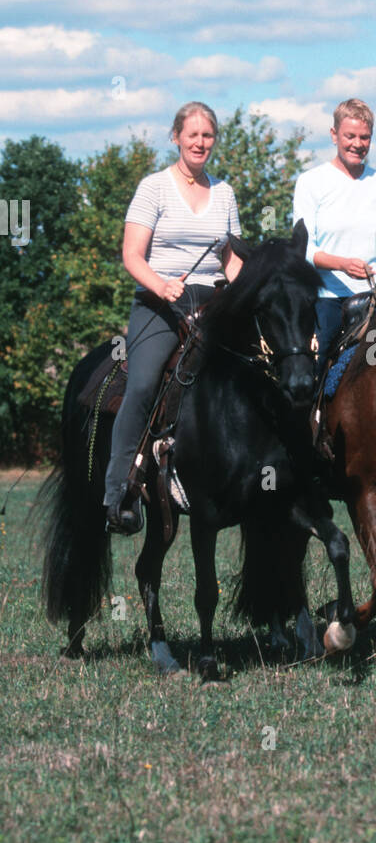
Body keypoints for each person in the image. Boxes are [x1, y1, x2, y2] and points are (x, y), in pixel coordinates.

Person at [103, 101, 242, 533]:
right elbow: (131, 254)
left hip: (211, 302)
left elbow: (232, 258)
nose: (200, 143)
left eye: (208, 135)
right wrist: (161, 285)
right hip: (159, 301)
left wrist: (240, 292)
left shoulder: (224, 192)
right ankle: (119, 493)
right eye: (193, 135)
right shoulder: (154, 188)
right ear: (176, 137)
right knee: (144, 384)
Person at [292, 98, 376, 369]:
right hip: (328, 298)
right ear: (334, 135)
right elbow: (304, 251)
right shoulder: (310, 182)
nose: (358, 144)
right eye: (350, 136)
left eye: (365, 137)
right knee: (314, 369)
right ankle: (310, 411)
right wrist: (342, 264)